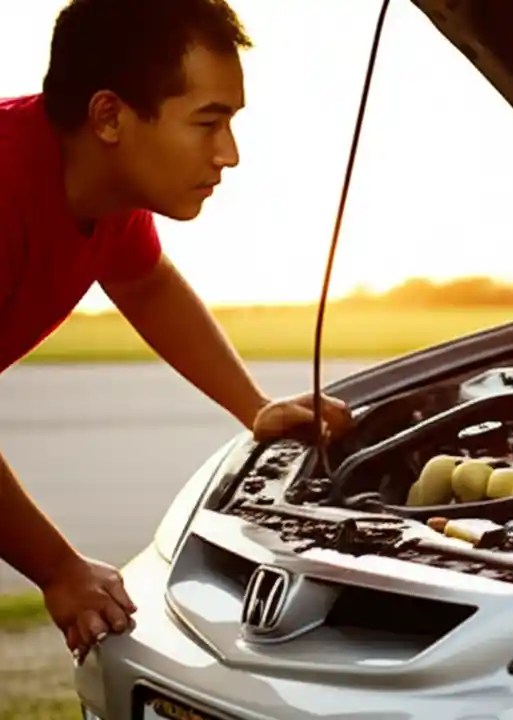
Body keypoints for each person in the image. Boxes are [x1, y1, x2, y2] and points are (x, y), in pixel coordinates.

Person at [0, 0, 353, 661]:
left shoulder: (105, 193)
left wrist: (254, 407)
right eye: (208, 122)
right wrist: (59, 569)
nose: (230, 154)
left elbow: (146, 284)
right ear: (110, 117)